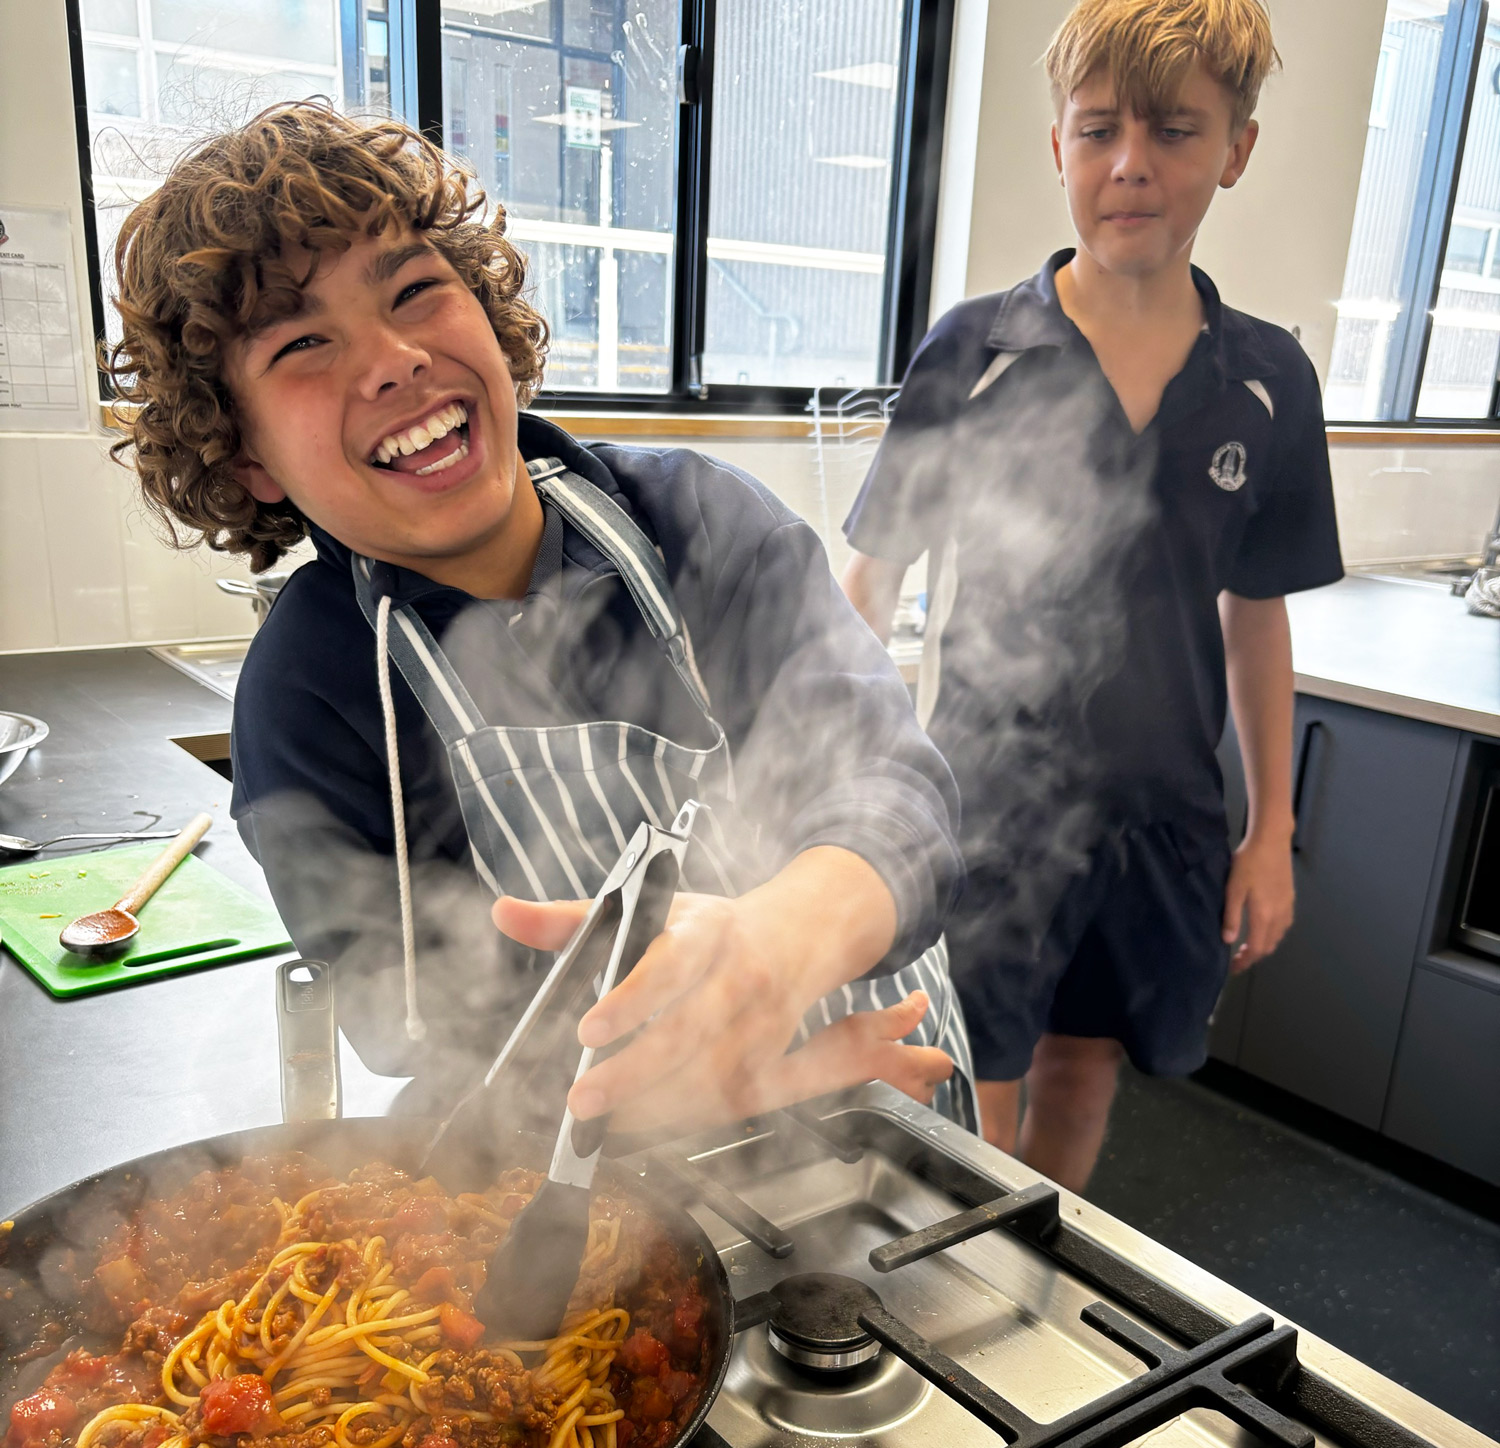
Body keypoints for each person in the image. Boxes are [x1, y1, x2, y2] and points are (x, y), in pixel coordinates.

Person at [105, 103, 976, 1134]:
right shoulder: (311, 692)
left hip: (893, 1125)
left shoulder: (698, 525)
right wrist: (712, 1084)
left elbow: (900, 791)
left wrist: (776, 945)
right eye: (303, 343)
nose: (390, 360)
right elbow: (421, 1032)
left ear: (485, 308)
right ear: (247, 455)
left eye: (417, 289)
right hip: (604, 1192)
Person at [841, 0, 1342, 1190]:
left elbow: (1256, 613)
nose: (1131, 165)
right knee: (977, 1085)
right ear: (1056, 145)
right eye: (1098, 129)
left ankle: (1044, 1293)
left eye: (1173, 131)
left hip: (1164, 815)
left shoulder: (1267, 377)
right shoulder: (975, 352)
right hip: (990, 804)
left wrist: (1267, 831)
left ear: (1236, 150)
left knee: (1084, 1072)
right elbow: (867, 582)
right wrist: (832, 791)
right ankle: (971, 1307)